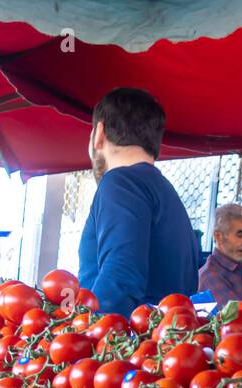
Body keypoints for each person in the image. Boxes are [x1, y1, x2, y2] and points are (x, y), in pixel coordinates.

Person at [78, 88, 198, 316]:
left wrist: (87, 338)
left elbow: (120, 279)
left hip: (121, 345)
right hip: (161, 341)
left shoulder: (120, 182)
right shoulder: (165, 191)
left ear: (99, 133)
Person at [196, 203, 242, 306]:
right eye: (240, 235)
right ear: (218, 236)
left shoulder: (241, 268)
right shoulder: (209, 275)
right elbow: (237, 317)